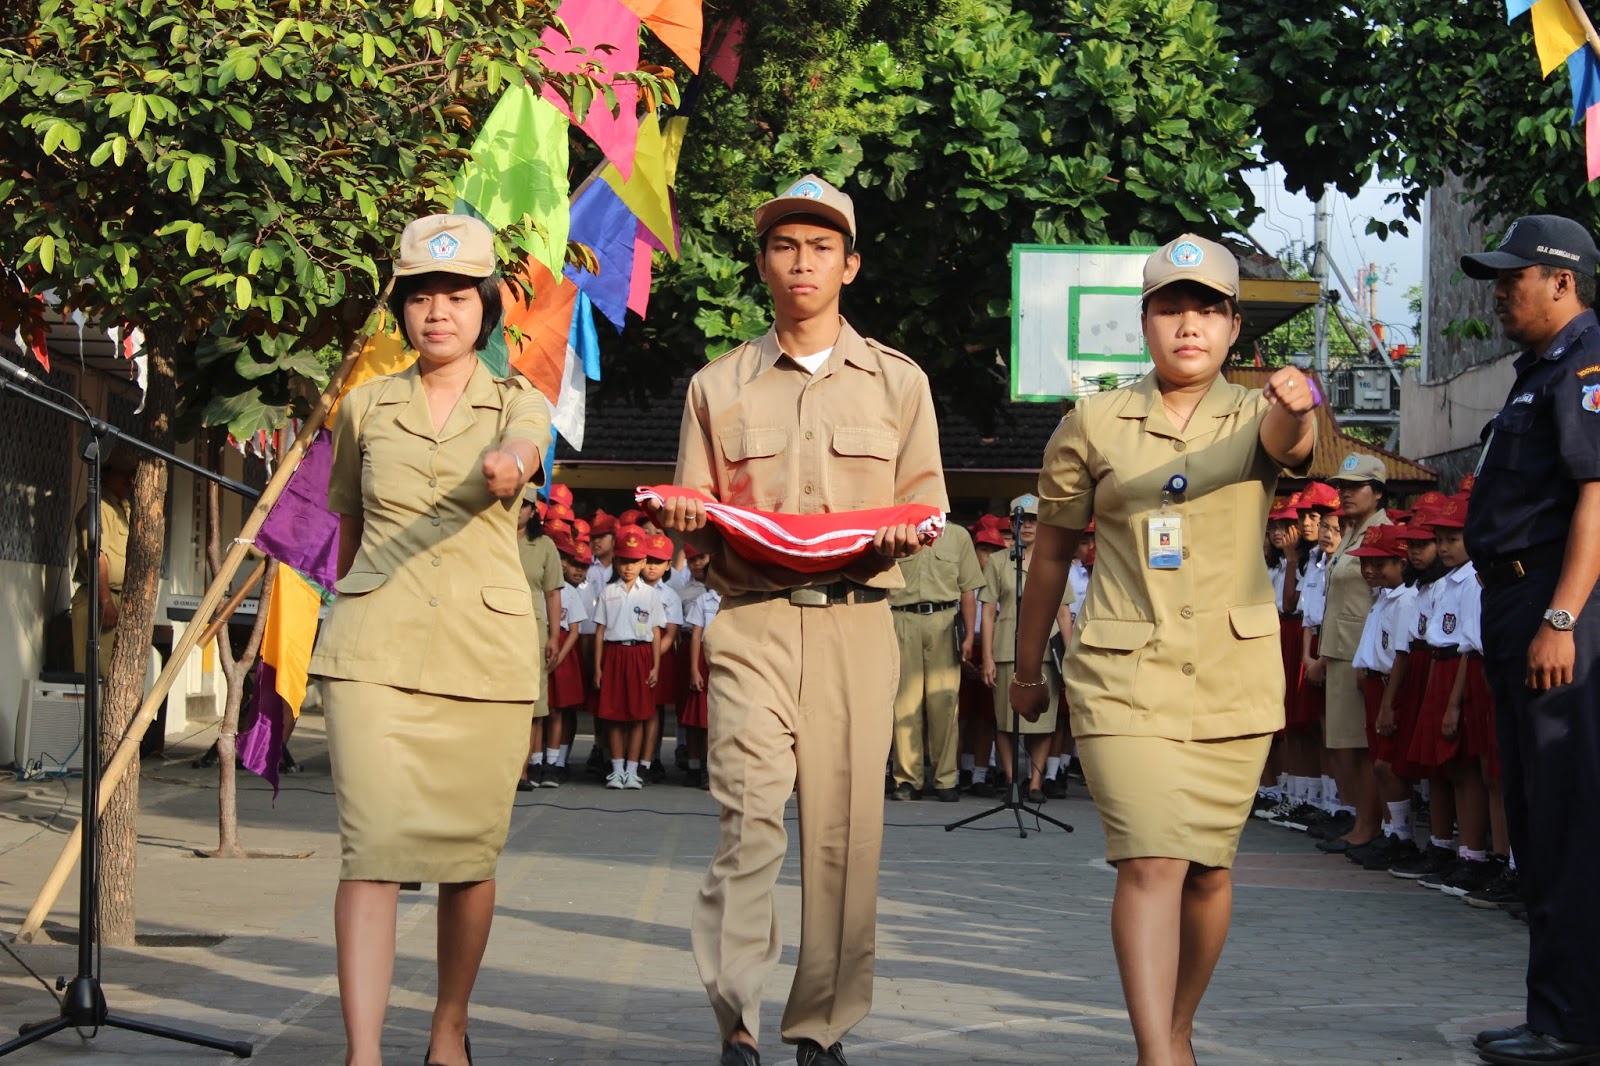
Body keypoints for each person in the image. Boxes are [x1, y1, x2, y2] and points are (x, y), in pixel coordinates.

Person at [655, 173, 946, 1066]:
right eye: (785, 245)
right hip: (752, 621)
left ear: (850, 265)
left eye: (822, 246)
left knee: (844, 835)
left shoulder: (899, 383)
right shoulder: (718, 385)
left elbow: (925, 498)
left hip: (860, 625)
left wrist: (907, 528)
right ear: (762, 263)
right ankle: (736, 1019)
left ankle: (820, 1027)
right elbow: (695, 496)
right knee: (748, 819)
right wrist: (684, 517)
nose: (802, 261)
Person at [1011, 233, 1317, 1066]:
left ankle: (1179, 1025)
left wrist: (1297, 402)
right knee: (1151, 858)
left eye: (1209, 309)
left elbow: (1293, 449)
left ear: (1232, 327)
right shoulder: (1094, 419)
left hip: (1232, 677)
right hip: (1122, 675)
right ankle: (1158, 1053)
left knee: (1209, 871)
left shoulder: (1262, 412)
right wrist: (1026, 663)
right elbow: (1050, 549)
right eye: (1171, 307)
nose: (1190, 325)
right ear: (1144, 320)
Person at [308, 213, 549, 1066]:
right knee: (369, 850)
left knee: (468, 855)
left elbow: (527, 447)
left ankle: (449, 1029)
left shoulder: (520, 399)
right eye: (419, 297)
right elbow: (346, 526)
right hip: (373, 650)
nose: (437, 312)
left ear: (486, 305)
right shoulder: (364, 406)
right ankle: (362, 1053)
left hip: (485, 661)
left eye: (455, 295)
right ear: (401, 309)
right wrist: (347, 605)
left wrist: (508, 467)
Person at [1457, 214, 1600, 1066]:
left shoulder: (1586, 367)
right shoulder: (1537, 372)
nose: (1502, 290)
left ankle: (1571, 1023)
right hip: (1518, 603)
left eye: (1516, 276)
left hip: (1556, 602)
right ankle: (1555, 1011)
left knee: (1566, 818)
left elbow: (1597, 495)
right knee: (1538, 819)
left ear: (1562, 279)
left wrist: (1561, 617)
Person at [1313, 454, 1391, 857]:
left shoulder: (1382, 533)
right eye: (1341, 486)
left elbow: (1385, 599)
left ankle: (1370, 826)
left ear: (1377, 492)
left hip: (1363, 652)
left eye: (1354, 486)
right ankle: (1362, 820)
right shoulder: (1351, 532)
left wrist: (1371, 658)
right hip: (1341, 650)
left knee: (1362, 746)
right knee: (1344, 744)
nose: (1344, 493)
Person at [979, 494, 1074, 802]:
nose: (1029, 526)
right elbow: (989, 610)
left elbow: (1063, 612)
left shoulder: (1056, 559)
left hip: (1047, 649)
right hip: (1007, 647)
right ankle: (1011, 781)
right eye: (1023, 520)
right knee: (1006, 720)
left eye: (1034, 519)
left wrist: (1071, 659)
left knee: (1044, 720)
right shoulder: (997, 561)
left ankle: (1034, 783)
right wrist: (987, 657)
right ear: (1012, 523)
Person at [887, 515, 983, 801]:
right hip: (901, 618)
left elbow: (968, 590)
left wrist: (967, 636)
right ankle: (907, 779)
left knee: (944, 702)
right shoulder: (899, 532)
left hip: (944, 620)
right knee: (904, 702)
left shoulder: (957, 536)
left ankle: (946, 779)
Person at [593, 525, 665, 790]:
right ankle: (616, 769)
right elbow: (600, 631)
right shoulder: (607, 592)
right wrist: (598, 668)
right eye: (624, 561)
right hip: (614, 654)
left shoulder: (650, 595)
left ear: (644, 562)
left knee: (637, 715)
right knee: (613, 715)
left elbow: (657, 632)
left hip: (640, 654)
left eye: (635, 561)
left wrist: (656, 665)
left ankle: (633, 770)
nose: (629, 567)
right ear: (617, 561)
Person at [71, 447, 137, 679]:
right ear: (106, 474)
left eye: (132, 474)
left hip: (119, 599)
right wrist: (106, 601)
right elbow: (97, 555)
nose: (130, 480)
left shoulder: (123, 509)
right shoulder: (98, 508)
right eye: (123, 474)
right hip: (99, 599)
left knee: (116, 678)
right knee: (97, 675)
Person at [518, 487, 565, 790]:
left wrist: (555, 637)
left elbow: (553, 593)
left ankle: (522, 772)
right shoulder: (489, 539)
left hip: (532, 629)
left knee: (531, 705)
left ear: (533, 510)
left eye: (524, 505)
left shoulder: (544, 544)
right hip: (491, 627)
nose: (518, 510)